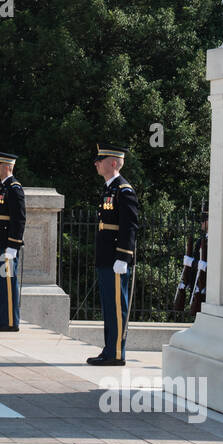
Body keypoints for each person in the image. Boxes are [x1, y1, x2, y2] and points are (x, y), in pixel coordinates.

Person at [87, 143, 139, 366]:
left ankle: (117, 353)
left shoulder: (123, 190)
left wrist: (124, 257)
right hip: (106, 257)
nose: (96, 163)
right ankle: (110, 349)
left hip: (116, 258)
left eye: (101, 160)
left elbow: (129, 226)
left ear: (114, 163)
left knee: (118, 306)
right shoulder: (110, 189)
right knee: (109, 305)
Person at [0, 151, 25, 331]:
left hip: (7, 244)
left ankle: (10, 321)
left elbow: (19, 219)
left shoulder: (14, 188)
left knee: (8, 282)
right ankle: (5, 319)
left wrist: (13, 245)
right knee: (2, 283)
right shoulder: (3, 187)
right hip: (0, 243)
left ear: (7, 167)